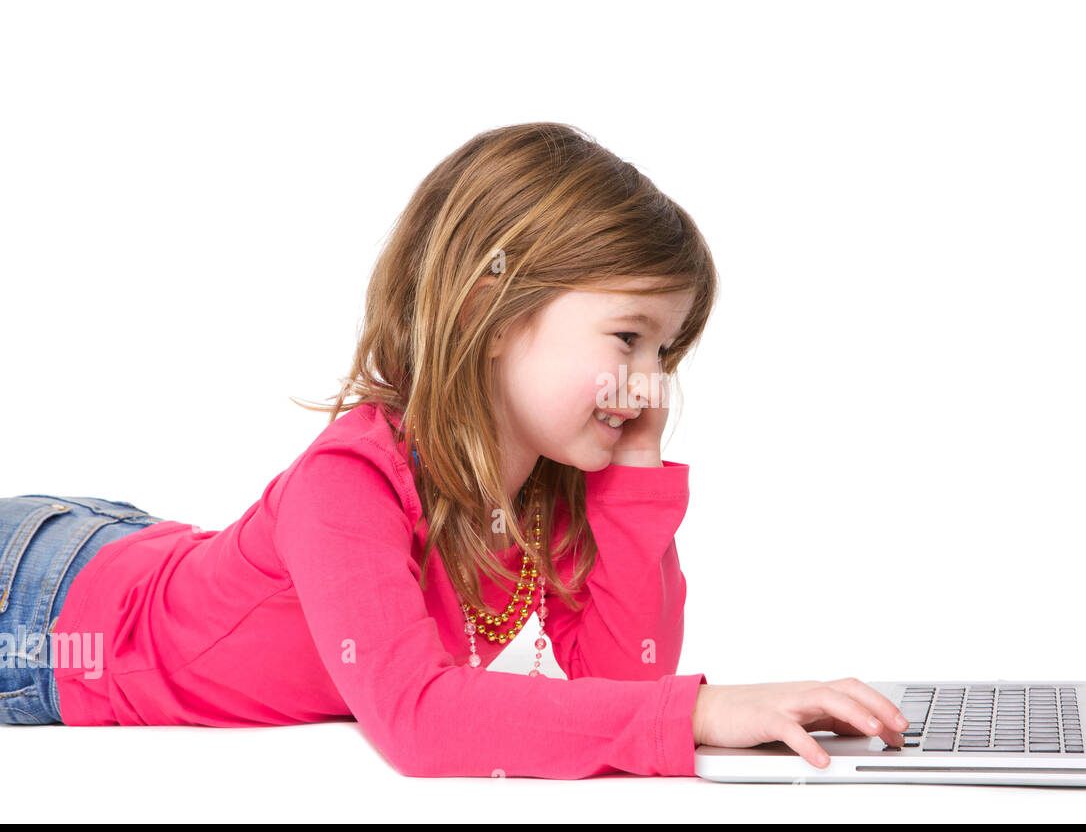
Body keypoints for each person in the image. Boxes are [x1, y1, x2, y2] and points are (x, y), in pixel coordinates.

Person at [0, 122, 907, 777]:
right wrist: (704, 709)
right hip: (47, 614)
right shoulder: (347, 477)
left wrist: (635, 477)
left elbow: (625, 678)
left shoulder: (546, 493)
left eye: (664, 352)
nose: (650, 384)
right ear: (491, 311)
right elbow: (418, 718)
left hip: (135, 546)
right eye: (629, 338)